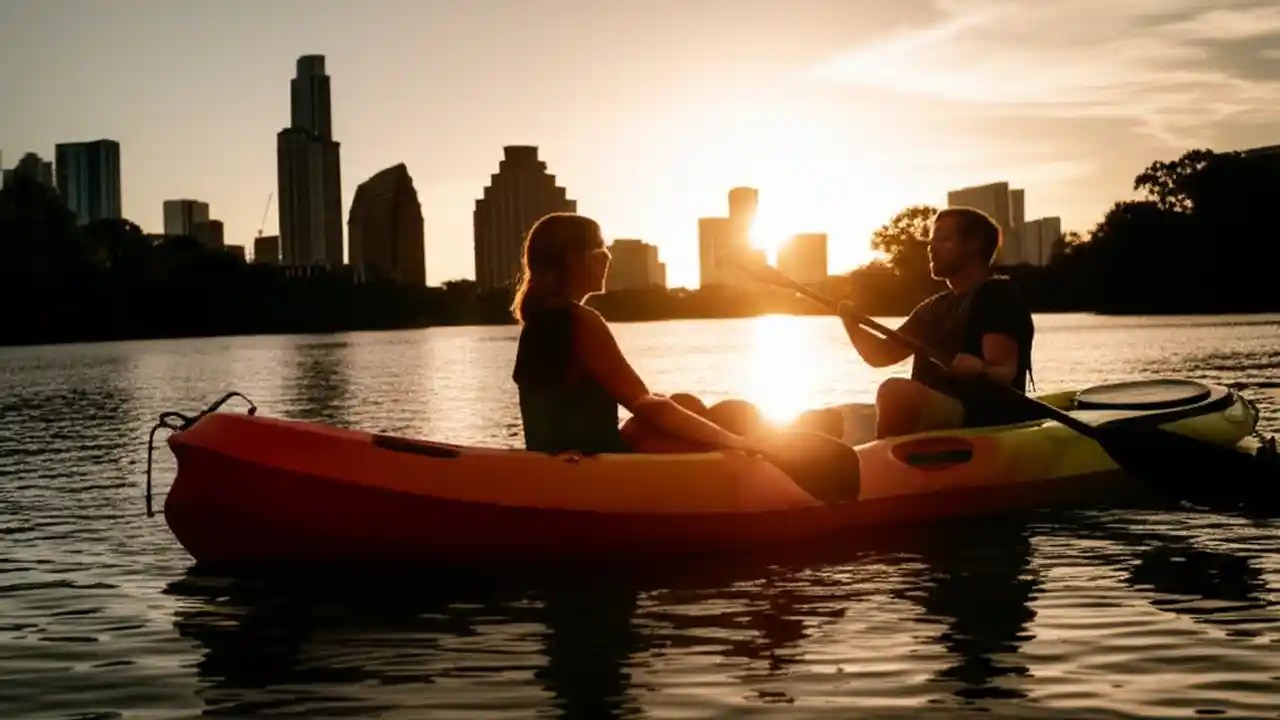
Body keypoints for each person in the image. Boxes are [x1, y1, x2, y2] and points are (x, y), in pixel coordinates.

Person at [510, 212, 772, 456]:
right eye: (597, 249)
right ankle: (756, 461)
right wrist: (736, 442)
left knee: (685, 402)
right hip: (593, 468)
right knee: (737, 414)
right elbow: (645, 405)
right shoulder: (580, 321)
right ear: (569, 258)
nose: (607, 257)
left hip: (564, 460)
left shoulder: (538, 320)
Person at [838, 206, 1035, 438]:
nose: (930, 247)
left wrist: (980, 369)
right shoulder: (933, 308)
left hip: (983, 418)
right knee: (831, 418)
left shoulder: (997, 296)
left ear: (974, 244)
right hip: (939, 416)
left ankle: (883, 467)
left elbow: (1004, 372)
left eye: (943, 239)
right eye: (932, 240)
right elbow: (880, 355)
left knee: (896, 393)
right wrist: (850, 323)